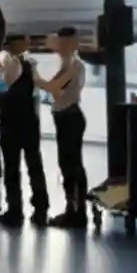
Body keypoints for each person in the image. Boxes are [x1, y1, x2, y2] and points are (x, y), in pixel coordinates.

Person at [0, 35, 51, 228]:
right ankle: (40, 208)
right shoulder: (29, 64)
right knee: (34, 165)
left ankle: (15, 211)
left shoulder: (12, 62)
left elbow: (6, 85)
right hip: (29, 120)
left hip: (13, 122)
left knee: (13, 168)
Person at [41, 27, 88, 228]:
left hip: (71, 117)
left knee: (73, 166)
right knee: (67, 165)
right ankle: (72, 209)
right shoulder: (65, 64)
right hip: (63, 117)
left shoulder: (75, 66)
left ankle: (78, 212)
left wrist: (37, 79)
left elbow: (54, 88)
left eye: (62, 42)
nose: (58, 46)